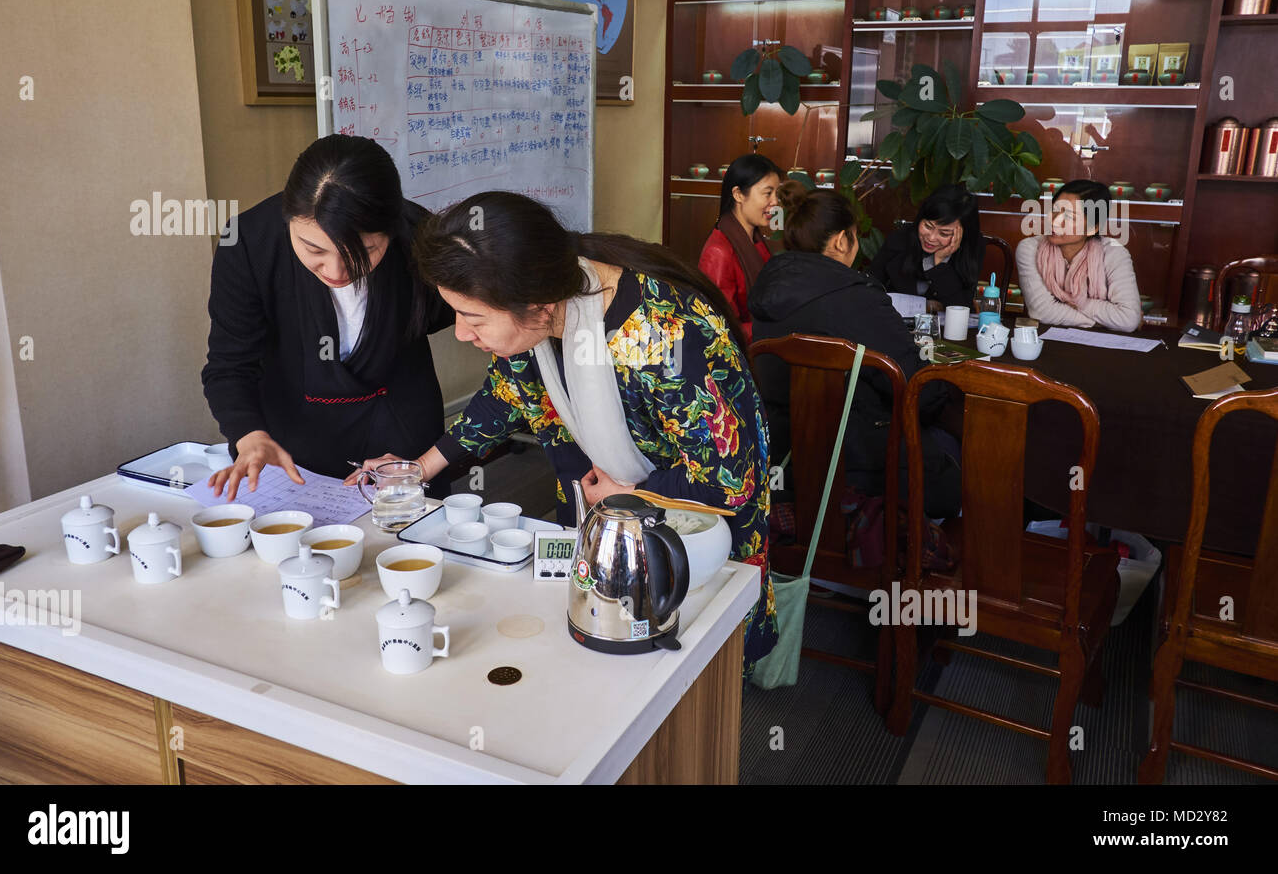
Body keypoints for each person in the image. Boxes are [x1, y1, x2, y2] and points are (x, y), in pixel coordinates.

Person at [349, 191, 777, 675]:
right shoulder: (550, 302)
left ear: (538, 304)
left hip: (692, 531)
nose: (463, 334)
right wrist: (417, 469)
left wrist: (633, 496)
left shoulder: (661, 335)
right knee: (600, 663)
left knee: (683, 676)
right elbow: (504, 395)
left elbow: (730, 478)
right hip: (606, 512)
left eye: (473, 319)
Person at [201, 134, 454, 501]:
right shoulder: (249, 243)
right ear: (289, 218)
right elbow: (229, 365)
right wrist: (249, 434)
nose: (336, 270)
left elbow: (461, 316)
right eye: (314, 249)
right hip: (289, 445)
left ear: (393, 228)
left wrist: (428, 461)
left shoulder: (421, 238)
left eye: (365, 251)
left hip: (402, 439)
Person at [749, 181, 961, 519]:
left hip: (784, 464)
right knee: (955, 451)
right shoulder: (857, 298)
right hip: (858, 469)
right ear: (840, 240)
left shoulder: (768, 288)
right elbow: (921, 391)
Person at [1016, 179, 1142, 332]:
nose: (1055, 222)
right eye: (1055, 210)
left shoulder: (1114, 253)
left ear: (1093, 228)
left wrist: (1073, 303)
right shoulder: (1030, 248)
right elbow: (1042, 311)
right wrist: (1097, 323)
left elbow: (1128, 318)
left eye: (1069, 217)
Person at [698, 154, 782, 343]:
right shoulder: (718, 253)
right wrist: (777, 327)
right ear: (738, 194)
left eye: (777, 194)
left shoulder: (755, 239)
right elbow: (720, 328)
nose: (775, 202)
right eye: (768, 193)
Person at [868, 184, 985, 308]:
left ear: (962, 234)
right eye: (928, 226)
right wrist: (926, 305)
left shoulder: (972, 248)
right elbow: (870, 285)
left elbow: (961, 306)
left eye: (944, 233)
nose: (931, 238)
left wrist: (939, 263)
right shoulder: (900, 239)